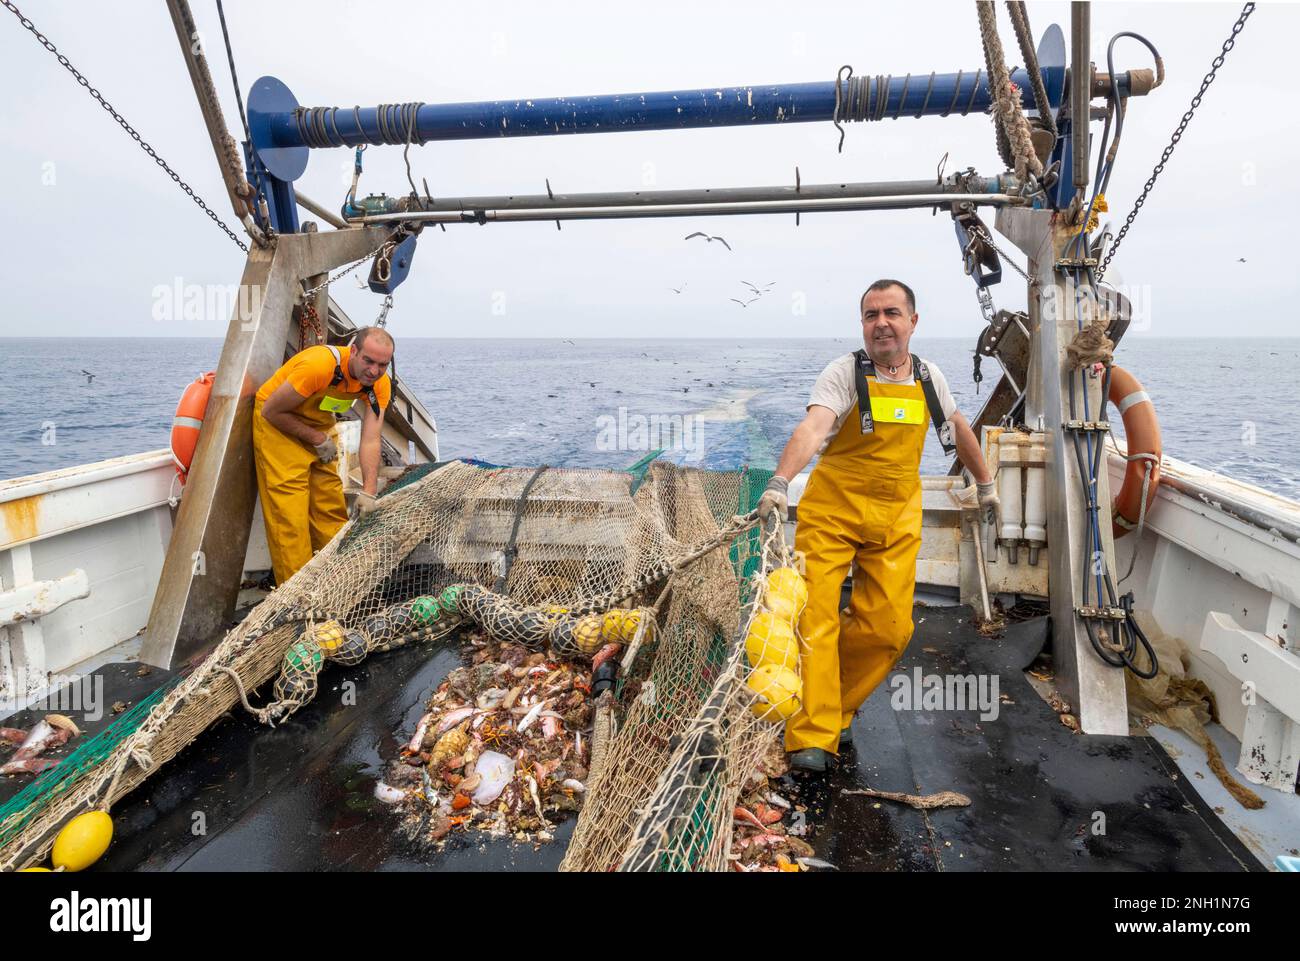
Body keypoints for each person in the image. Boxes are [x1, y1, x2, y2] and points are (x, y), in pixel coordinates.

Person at [757, 280, 999, 773]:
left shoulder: (929, 378)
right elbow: (815, 426)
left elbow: (957, 427)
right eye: (871, 315)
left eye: (891, 312)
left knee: (890, 627)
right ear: (862, 324)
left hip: (896, 513)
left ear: (913, 321)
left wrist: (987, 483)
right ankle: (812, 733)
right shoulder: (843, 373)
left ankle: (836, 707)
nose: (881, 322)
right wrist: (781, 481)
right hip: (833, 509)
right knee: (816, 620)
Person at [252, 327, 393, 585]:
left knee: (330, 506)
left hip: (319, 427)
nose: (374, 371)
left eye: (382, 365)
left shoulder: (379, 385)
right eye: (368, 361)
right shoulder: (318, 366)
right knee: (290, 518)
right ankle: (296, 598)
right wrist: (316, 439)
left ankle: (334, 584)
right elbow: (271, 411)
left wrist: (369, 492)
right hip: (279, 427)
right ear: (353, 351)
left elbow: (371, 439)